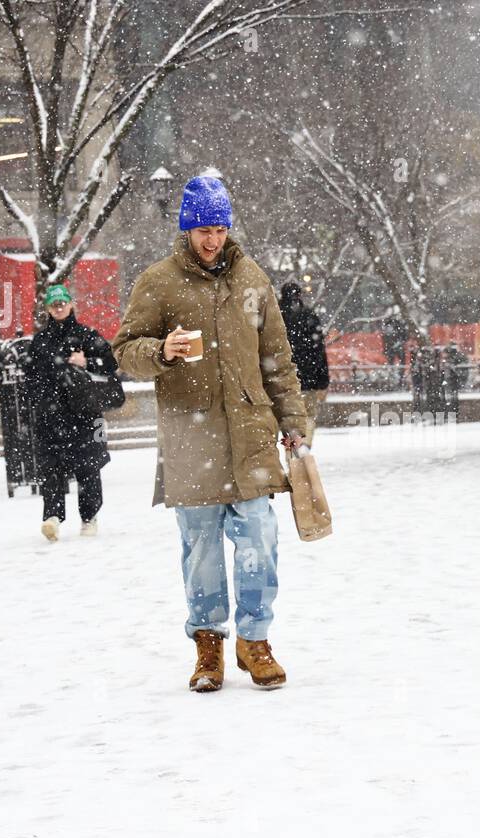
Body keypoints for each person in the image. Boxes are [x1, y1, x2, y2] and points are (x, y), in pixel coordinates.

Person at [111, 174, 309, 691]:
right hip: (190, 436)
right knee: (199, 548)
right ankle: (208, 646)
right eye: (202, 228)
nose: (211, 239)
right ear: (186, 228)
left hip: (251, 434)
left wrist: (294, 423)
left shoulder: (253, 280)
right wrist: (160, 352)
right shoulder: (158, 282)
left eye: (219, 227)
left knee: (259, 540)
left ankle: (254, 639)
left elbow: (278, 361)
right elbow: (124, 351)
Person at [27, 284, 117, 542]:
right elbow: (31, 380)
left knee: (88, 467)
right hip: (52, 418)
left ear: (71, 304)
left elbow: (111, 365)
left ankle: (89, 518)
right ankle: (52, 519)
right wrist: (42, 400)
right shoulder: (41, 341)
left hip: (85, 415)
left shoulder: (87, 335)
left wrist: (86, 362)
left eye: (62, 303)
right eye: (54, 304)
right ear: (47, 308)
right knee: (51, 470)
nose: (59, 308)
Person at [280, 281, 330, 441]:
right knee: (308, 417)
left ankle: (292, 453)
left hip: (283, 382)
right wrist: (323, 382)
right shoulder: (309, 316)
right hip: (308, 379)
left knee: (288, 421)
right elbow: (319, 350)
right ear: (299, 295)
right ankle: (303, 449)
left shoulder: (276, 316)